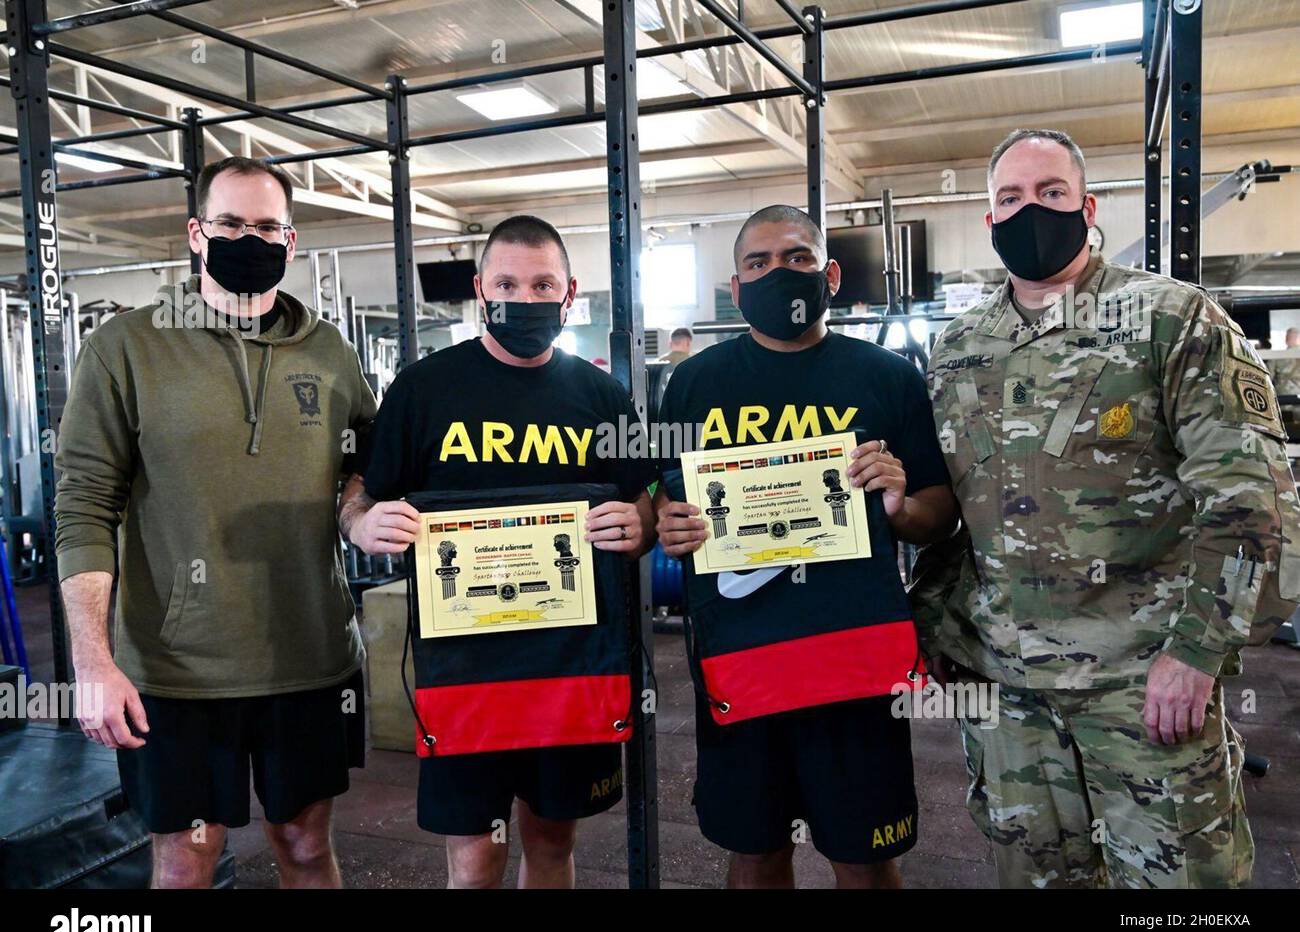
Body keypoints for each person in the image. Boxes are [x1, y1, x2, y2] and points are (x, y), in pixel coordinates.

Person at [911, 127, 1300, 888]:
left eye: (1051, 193)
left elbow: (1251, 502)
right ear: (989, 222)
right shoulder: (959, 347)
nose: (1031, 212)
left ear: (1087, 207)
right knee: (1038, 877)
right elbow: (956, 508)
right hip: (1008, 689)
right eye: (1011, 199)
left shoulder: (1172, 321)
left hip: (1144, 683)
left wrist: (1198, 652)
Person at [55, 157, 377, 888]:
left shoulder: (328, 351)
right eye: (230, 223)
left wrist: (356, 513)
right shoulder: (126, 348)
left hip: (309, 654)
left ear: (290, 241)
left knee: (302, 842)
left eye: (266, 226)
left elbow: (363, 464)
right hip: (176, 671)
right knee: (187, 856)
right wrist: (92, 663)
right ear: (197, 234)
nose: (248, 238)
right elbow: (83, 504)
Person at [339, 214, 656, 889]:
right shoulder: (424, 390)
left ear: (570, 295)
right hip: (465, 669)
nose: (525, 298)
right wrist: (362, 524)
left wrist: (641, 524)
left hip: (571, 667)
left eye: (543, 284)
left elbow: (645, 501)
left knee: (550, 843)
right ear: (481, 289)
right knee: (474, 858)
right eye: (508, 282)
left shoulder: (602, 397)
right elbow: (363, 491)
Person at [654, 204, 957, 888]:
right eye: (758, 263)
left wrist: (900, 503)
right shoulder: (695, 383)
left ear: (831, 274)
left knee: (864, 856)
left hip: (853, 658)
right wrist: (667, 521)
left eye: (796, 257)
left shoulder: (888, 376)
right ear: (737, 288)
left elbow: (940, 516)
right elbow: (663, 496)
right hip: (740, 656)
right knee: (756, 852)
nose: (777, 273)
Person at [1268, 327, 1300, 440]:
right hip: (1299, 403)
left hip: (1283, 402)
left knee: (1285, 433)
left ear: (1286, 339)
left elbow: (1268, 378)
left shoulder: (1277, 356)